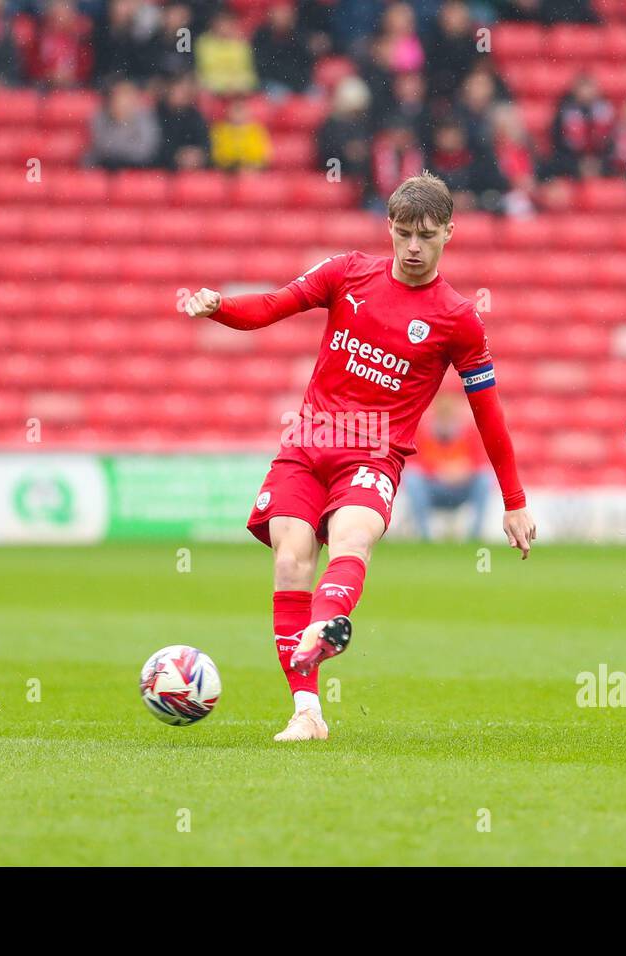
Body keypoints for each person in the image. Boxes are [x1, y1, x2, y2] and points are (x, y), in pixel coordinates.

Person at [182, 172, 535, 742]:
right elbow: (272, 306)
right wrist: (220, 307)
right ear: (389, 229)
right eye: (403, 234)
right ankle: (307, 712)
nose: (413, 248)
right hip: (308, 443)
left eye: (426, 235)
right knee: (291, 558)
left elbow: (488, 413)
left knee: (351, 539)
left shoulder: (458, 318)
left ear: (449, 232)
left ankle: (326, 624)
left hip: (374, 452)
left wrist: (514, 501)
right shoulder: (347, 273)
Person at [402, 391, 490, 540]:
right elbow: (413, 461)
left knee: (484, 478)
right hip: (433, 488)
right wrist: (438, 470)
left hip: (462, 487)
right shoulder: (422, 433)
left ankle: (476, 534)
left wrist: (464, 470)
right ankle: (424, 535)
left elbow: (480, 461)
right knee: (412, 479)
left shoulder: (469, 433)